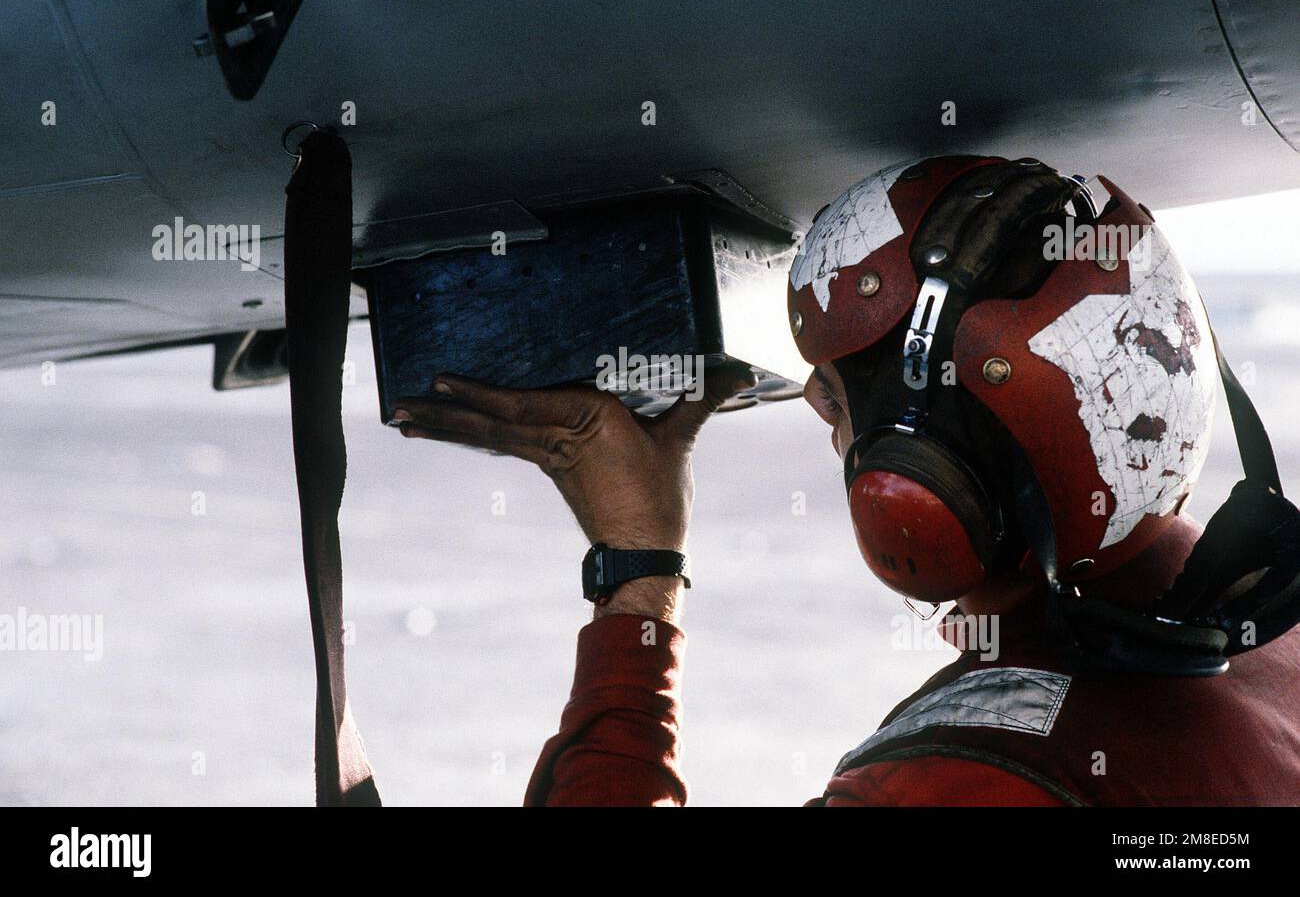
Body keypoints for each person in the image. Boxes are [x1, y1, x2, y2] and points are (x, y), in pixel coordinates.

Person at [391, 154, 1300, 806]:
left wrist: (638, 578)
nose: (820, 421)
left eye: (831, 401)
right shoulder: (1271, 641)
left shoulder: (949, 786)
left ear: (916, 481)